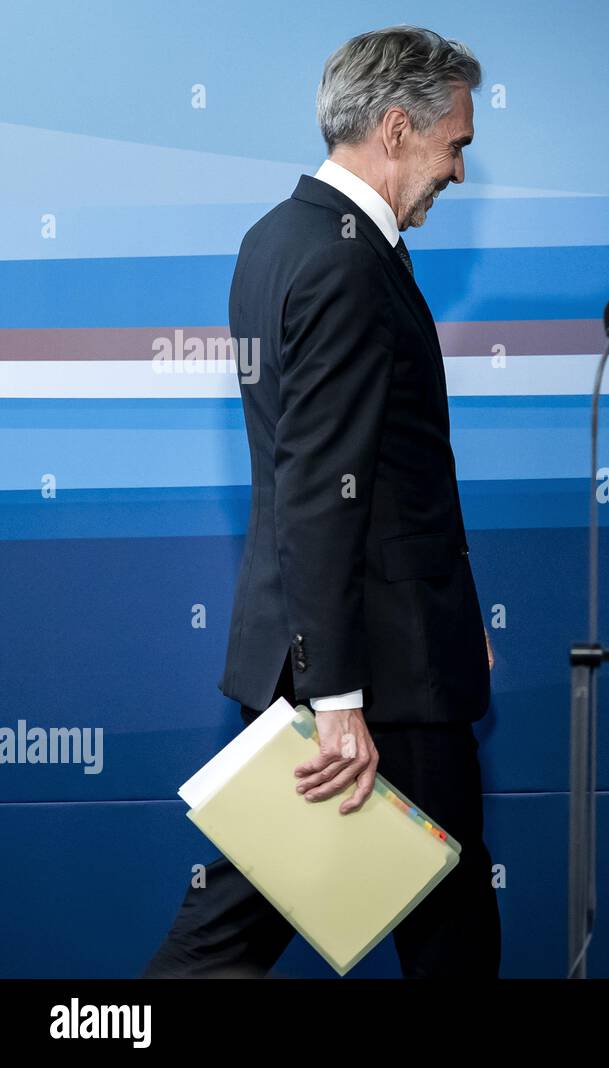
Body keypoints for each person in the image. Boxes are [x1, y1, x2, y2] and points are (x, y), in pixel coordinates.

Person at [143, 26, 500, 978]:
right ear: (395, 126)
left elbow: (366, 479)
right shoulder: (347, 261)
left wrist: (451, 617)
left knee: (266, 919)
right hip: (378, 674)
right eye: (454, 143)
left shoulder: (280, 236)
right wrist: (339, 697)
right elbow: (318, 487)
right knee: (438, 932)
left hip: (367, 649)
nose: (459, 171)